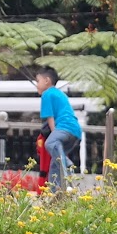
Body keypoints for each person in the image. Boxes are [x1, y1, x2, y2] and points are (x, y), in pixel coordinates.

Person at [34, 64, 83, 194]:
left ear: (46, 81)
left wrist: (54, 134)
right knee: (54, 165)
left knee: (50, 143)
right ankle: (55, 192)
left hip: (64, 128)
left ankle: (67, 166)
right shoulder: (58, 93)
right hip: (75, 131)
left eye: (38, 81)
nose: (37, 85)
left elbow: (50, 118)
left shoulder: (47, 94)